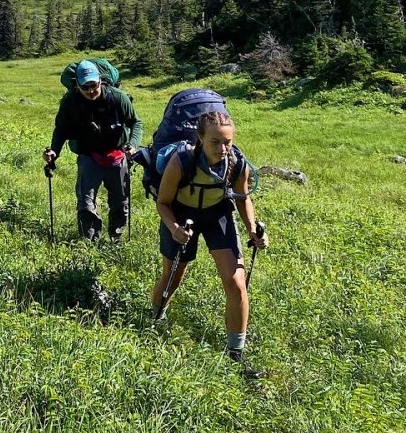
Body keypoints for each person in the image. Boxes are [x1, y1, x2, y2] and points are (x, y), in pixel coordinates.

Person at [150, 110, 269, 364]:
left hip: (218, 214)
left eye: (228, 141)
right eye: (215, 141)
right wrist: (174, 229)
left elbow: (243, 197)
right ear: (200, 139)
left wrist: (252, 229)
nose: (223, 148)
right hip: (181, 214)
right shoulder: (181, 161)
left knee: (236, 283)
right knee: (173, 278)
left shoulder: (237, 163)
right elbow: (163, 203)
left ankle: (236, 351)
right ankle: (156, 318)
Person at [43, 59, 143, 241]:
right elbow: (61, 130)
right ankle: (88, 243)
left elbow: (135, 122)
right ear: (78, 86)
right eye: (85, 87)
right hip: (89, 156)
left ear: (100, 81)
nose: (90, 91)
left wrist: (133, 145)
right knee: (86, 203)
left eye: (94, 86)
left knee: (121, 203)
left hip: (117, 155)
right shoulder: (70, 102)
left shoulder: (117, 97)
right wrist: (54, 152)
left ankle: (116, 238)